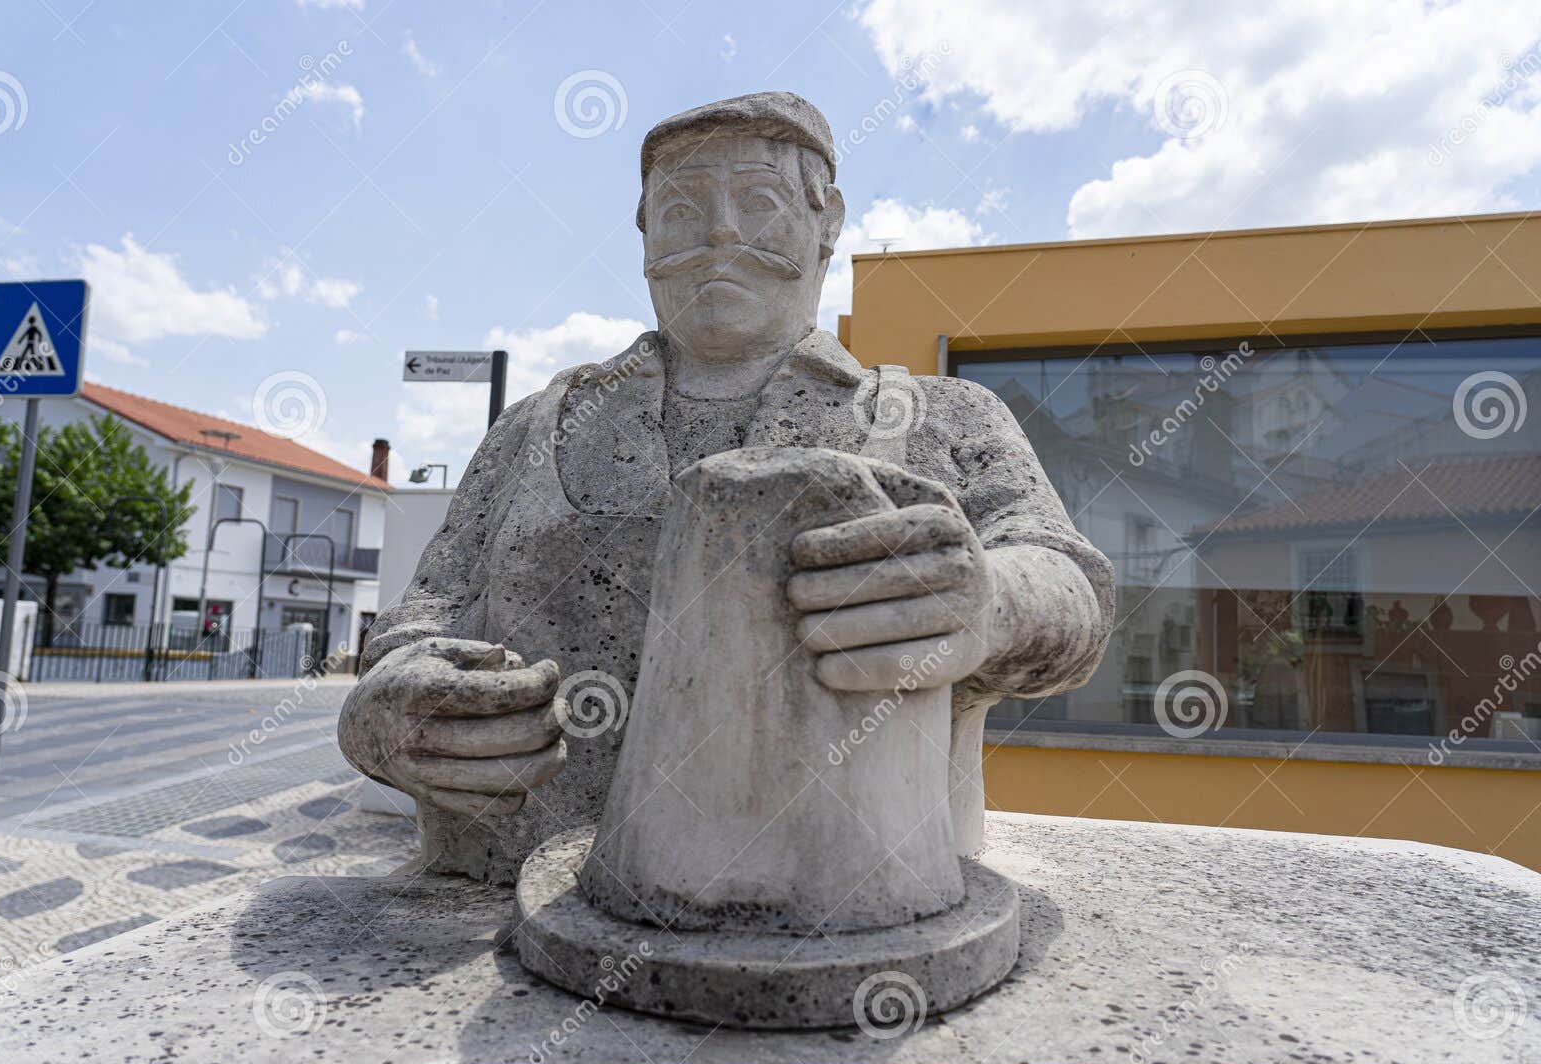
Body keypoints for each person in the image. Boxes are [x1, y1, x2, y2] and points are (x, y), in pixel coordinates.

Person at [338, 92, 1114, 881]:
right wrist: (388, 711)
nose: (718, 235)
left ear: (829, 221)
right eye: (680, 210)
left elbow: (1070, 583)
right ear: (643, 238)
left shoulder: (936, 417)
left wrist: (988, 601)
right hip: (491, 921)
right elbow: (419, 621)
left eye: (760, 201)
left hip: (826, 944)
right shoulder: (540, 428)